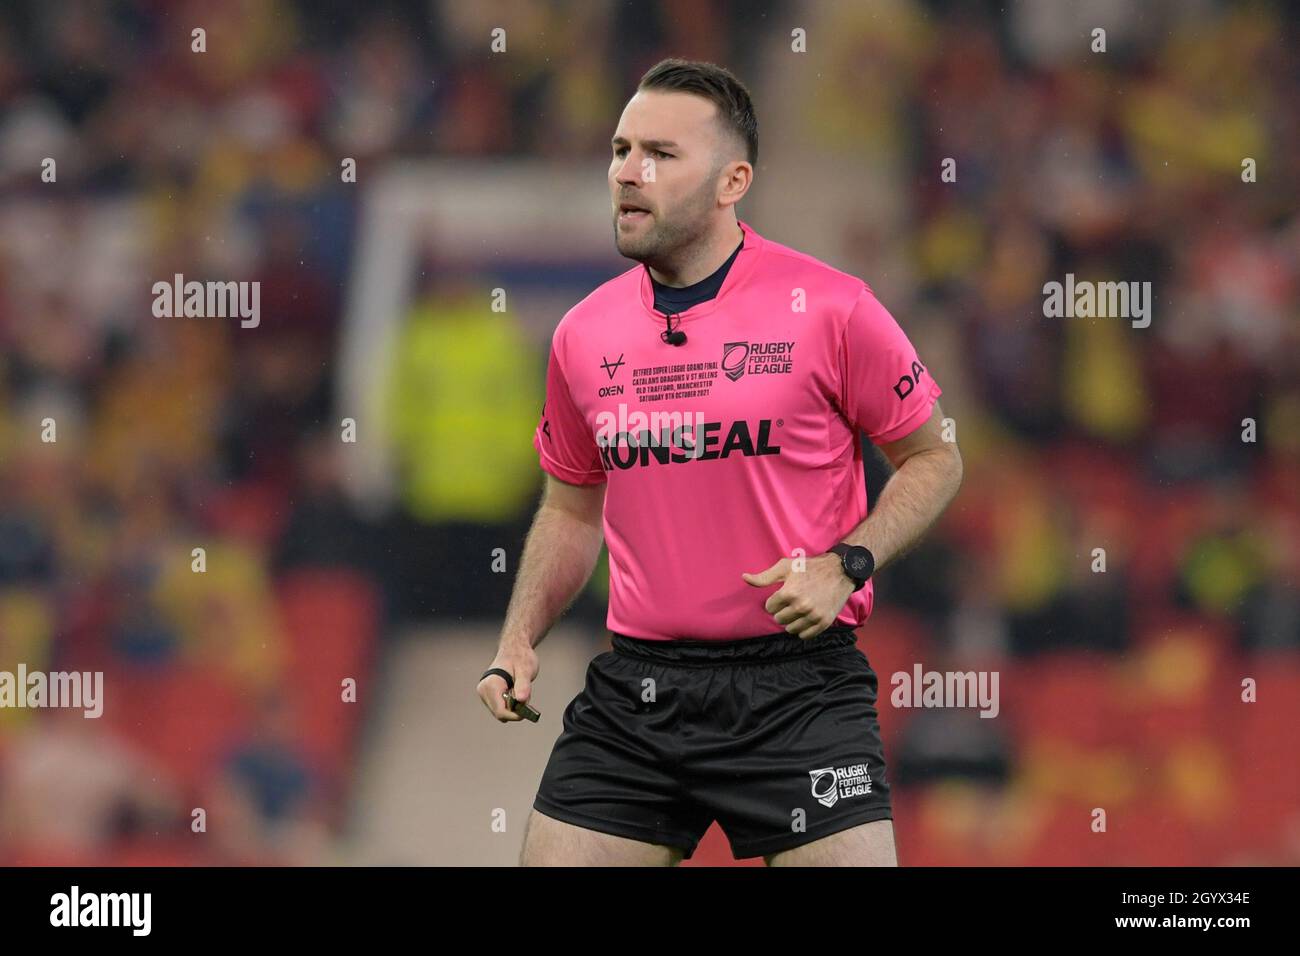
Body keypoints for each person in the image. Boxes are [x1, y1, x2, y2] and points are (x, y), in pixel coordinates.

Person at [476, 58, 963, 866]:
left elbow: (935, 458)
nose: (629, 173)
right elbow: (570, 508)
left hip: (798, 692)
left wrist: (848, 563)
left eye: (662, 155)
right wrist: (518, 639)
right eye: (621, 149)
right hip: (638, 688)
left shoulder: (832, 308)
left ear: (733, 180)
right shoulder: (582, 335)